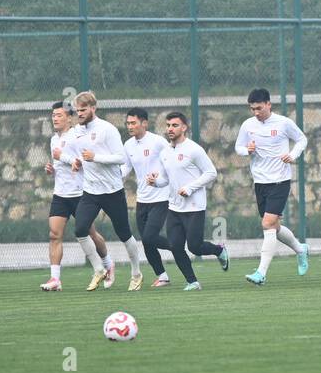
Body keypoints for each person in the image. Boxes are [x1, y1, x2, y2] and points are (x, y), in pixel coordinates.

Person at [61, 91, 145, 292]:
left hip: (112, 191)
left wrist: (95, 157)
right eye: (77, 110)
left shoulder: (107, 129)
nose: (79, 114)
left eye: (83, 110)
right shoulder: (76, 131)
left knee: (124, 234)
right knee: (80, 229)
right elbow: (72, 154)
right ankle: (99, 269)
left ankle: (136, 273)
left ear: (93, 108)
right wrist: (75, 162)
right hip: (90, 191)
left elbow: (120, 158)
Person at [236, 88, 309, 286]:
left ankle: (261, 273)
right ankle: (301, 249)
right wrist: (246, 150)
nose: (256, 113)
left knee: (267, 224)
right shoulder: (248, 125)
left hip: (280, 180)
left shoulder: (283, 122)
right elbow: (238, 147)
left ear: (269, 104)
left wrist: (293, 155)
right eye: (252, 109)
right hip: (260, 181)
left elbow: (302, 139)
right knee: (274, 226)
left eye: (259, 108)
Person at [40, 101, 111, 292]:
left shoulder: (77, 137)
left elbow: (81, 163)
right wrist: (51, 170)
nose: (55, 118)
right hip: (60, 194)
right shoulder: (54, 139)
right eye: (53, 115)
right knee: (54, 234)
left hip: (80, 194)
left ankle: (108, 264)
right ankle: (55, 279)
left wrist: (62, 157)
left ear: (70, 118)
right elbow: (63, 167)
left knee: (90, 233)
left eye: (59, 115)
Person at [160, 111, 228, 291]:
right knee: (175, 246)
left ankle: (219, 250)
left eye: (175, 125)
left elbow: (211, 173)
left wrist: (190, 188)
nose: (170, 129)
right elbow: (165, 179)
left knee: (195, 247)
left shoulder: (194, 149)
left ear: (184, 127)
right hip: (174, 207)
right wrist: (155, 181)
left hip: (194, 207)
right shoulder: (165, 151)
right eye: (168, 125)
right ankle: (192, 282)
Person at [122, 108, 173, 287]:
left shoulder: (158, 142)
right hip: (142, 200)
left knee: (150, 237)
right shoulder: (128, 145)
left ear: (144, 123)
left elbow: (172, 161)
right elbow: (125, 169)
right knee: (147, 241)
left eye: (133, 123)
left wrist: (161, 179)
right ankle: (163, 276)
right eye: (128, 123)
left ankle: (178, 246)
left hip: (161, 197)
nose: (130, 126)